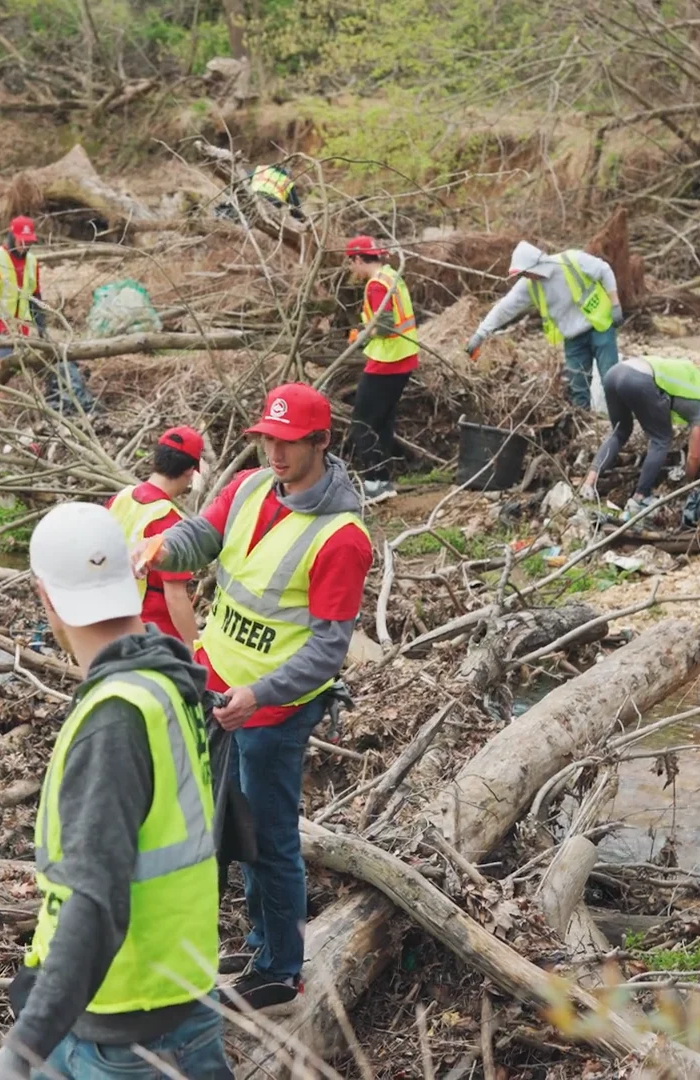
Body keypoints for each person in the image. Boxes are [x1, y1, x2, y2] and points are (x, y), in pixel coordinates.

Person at [137, 383, 373, 1010]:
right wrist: (157, 548)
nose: (274, 452)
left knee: (270, 837)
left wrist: (261, 691)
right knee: (228, 827)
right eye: (267, 438)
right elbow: (200, 539)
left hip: (274, 709)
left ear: (321, 441)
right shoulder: (246, 489)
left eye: (289, 442)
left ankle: (280, 972)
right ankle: (260, 938)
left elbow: (327, 649)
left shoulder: (343, 537)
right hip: (219, 689)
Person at [0, 502, 229, 1080]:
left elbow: (95, 899)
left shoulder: (117, 716)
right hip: (157, 1006)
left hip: (124, 1037)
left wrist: (23, 1048)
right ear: (131, 577)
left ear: (45, 597)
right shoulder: (170, 682)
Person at [466, 242, 622, 410]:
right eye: (523, 274)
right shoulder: (528, 286)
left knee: (610, 377)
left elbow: (604, 270)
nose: (527, 277)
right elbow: (504, 309)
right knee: (578, 387)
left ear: (536, 265)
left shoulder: (572, 260)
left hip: (599, 326)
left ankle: (621, 421)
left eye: (527, 272)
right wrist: (480, 334)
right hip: (573, 337)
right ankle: (584, 428)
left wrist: (615, 304)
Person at [0, 216, 90, 411]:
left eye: (28, 242)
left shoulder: (32, 262)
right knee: (6, 371)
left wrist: (42, 328)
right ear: (12, 236)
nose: (24, 246)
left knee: (39, 368)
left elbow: (35, 297)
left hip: (22, 327)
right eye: (21, 241)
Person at [580, 356, 700, 520]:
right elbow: (695, 457)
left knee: (620, 431)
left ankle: (588, 485)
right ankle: (639, 498)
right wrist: (686, 482)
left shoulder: (692, 376)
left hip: (615, 373)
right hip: (639, 380)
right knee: (662, 439)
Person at [107, 427, 205, 643]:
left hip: (111, 621)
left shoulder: (121, 498)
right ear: (190, 471)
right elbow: (176, 596)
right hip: (152, 635)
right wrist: (193, 647)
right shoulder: (169, 520)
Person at [342, 235, 419, 501]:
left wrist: (362, 333)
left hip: (387, 361)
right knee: (384, 424)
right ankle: (384, 483)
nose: (352, 269)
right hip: (405, 358)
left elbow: (384, 327)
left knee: (362, 425)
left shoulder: (376, 285)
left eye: (351, 263)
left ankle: (374, 482)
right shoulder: (391, 276)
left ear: (359, 259)